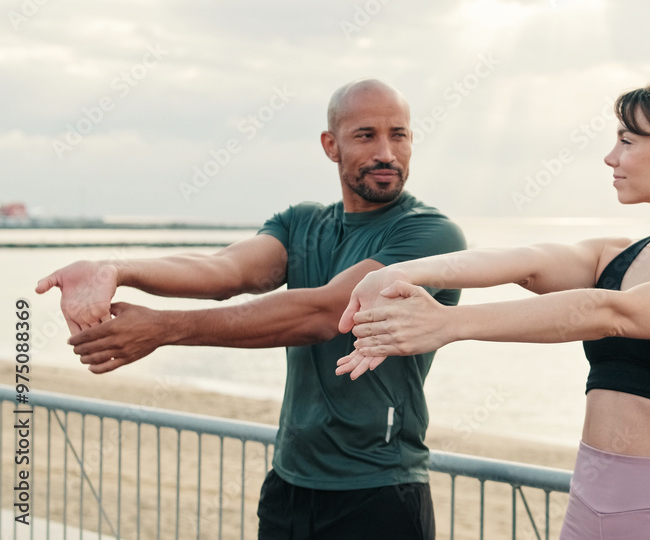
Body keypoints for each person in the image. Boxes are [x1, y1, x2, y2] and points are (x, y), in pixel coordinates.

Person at [335, 79, 650, 539]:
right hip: (583, 514)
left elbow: (612, 314)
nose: (610, 157)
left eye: (627, 141)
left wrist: (447, 324)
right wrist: (400, 273)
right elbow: (526, 261)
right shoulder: (616, 256)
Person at [35, 78, 466, 540]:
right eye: (366, 135)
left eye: (398, 134)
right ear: (330, 145)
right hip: (288, 485)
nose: (386, 152)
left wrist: (163, 328)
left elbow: (322, 314)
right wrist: (115, 269)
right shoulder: (301, 223)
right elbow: (224, 270)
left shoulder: (431, 237)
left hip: (380, 490)